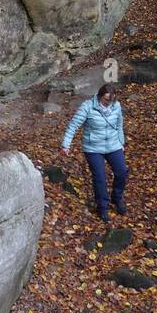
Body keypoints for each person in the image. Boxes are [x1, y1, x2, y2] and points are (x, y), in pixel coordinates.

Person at [61, 84, 128, 226]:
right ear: (99, 96)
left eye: (110, 100)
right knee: (100, 177)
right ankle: (102, 207)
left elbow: (119, 125)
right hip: (93, 147)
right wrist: (66, 144)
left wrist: (121, 142)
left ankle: (117, 197)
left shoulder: (116, 106)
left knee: (122, 171)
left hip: (113, 145)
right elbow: (73, 125)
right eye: (105, 100)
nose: (107, 103)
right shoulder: (88, 106)